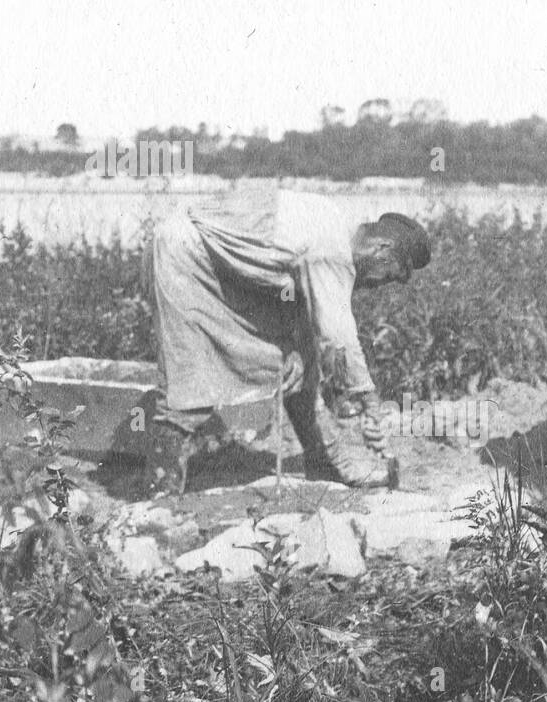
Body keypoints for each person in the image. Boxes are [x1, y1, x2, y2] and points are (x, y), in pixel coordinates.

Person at [140, 183, 431, 495]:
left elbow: (295, 302)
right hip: (184, 257)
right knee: (189, 379)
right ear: (382, 249)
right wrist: (370, 403)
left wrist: (300, 352)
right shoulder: (331, 251)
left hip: (219, 261)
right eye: (388, 275)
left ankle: (324, 460)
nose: (377, 285)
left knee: (299, 361)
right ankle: (160, 497)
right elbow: (339, 340)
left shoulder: (331, 220)